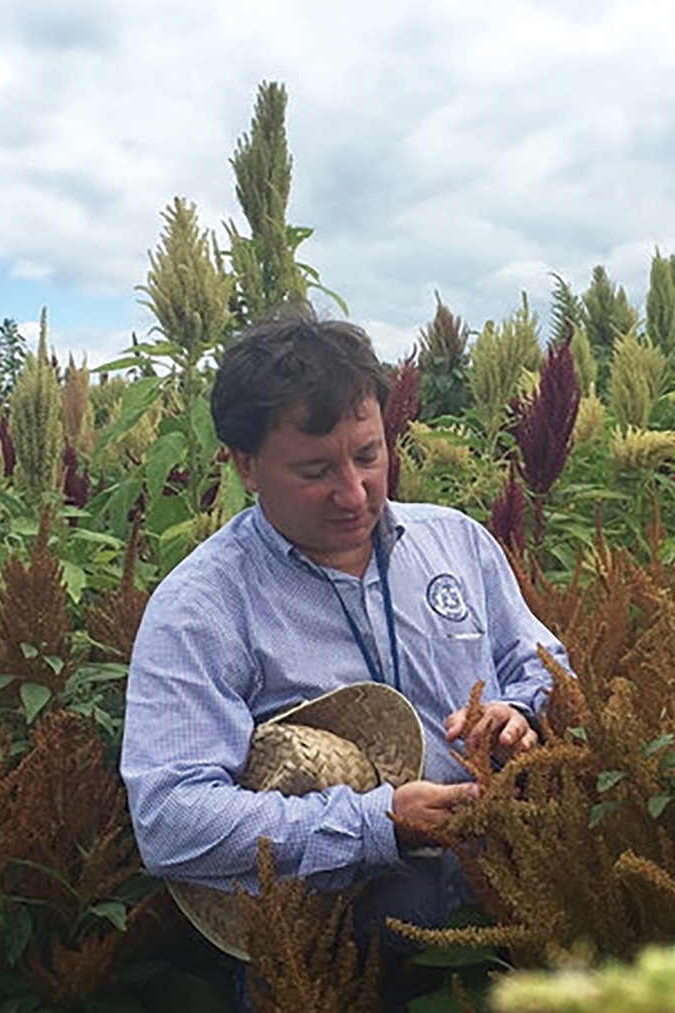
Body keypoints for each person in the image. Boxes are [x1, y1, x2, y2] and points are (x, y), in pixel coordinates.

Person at [120, 308, 570, 1004]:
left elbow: (541, 661)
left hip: (511, 929)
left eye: (368, 455)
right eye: (315, 469)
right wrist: (375, 822)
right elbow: (172, 820)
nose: (355, 491)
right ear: (244, 463)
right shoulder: (201, 608)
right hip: (329, 968)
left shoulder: (458, 544)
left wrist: (520, 709)